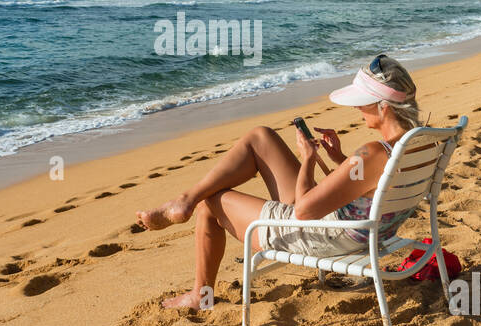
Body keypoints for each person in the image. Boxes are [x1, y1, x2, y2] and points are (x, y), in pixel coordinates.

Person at [136, 53, 427, 308]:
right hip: (363, 228)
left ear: (384, 107)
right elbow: (374, 188)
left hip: (328, 235)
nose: (356, 109)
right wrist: (340, 159)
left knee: (211, 204)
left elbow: (302, 211)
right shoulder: (422, 143)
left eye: (362, 103)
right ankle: (184, 200)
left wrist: (308, 160)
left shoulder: (372, 152)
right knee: (261, 137)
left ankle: (201, 294)